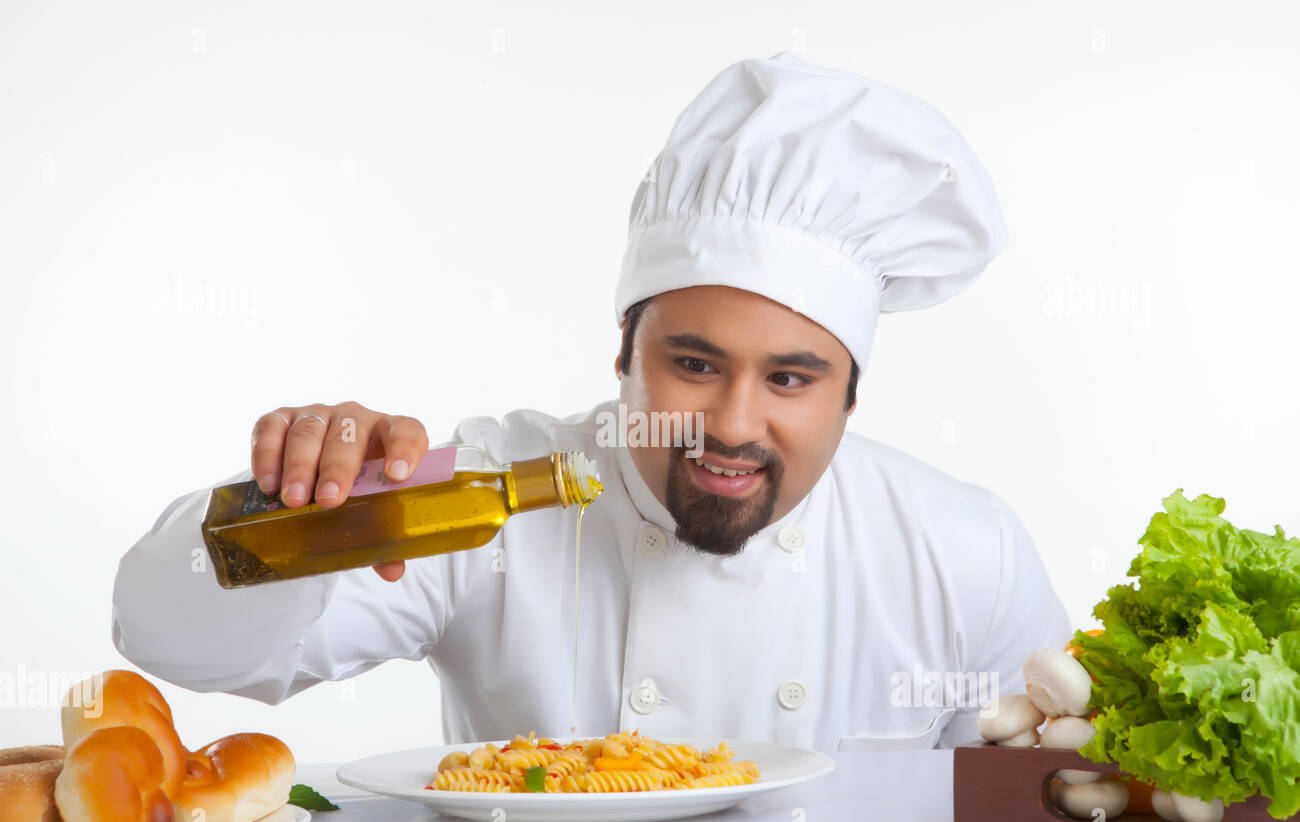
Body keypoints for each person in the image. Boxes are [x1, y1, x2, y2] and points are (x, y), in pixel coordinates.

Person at [112, 52, 1071, 753]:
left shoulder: (960, 551)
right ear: (621, 350)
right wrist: (292, 505)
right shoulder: (492, 495)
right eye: (693, 365)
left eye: (790, 378)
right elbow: (171, 638)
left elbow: (1035, 806)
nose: (732, 425)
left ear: (851, 394)